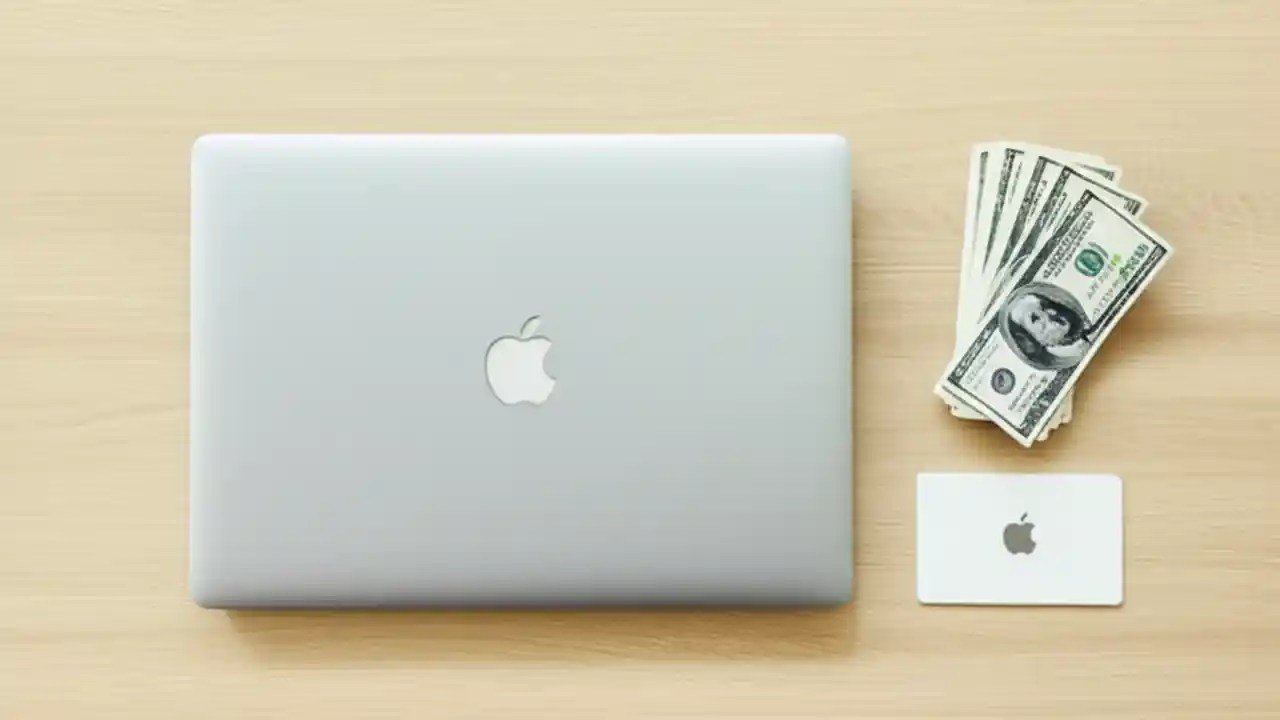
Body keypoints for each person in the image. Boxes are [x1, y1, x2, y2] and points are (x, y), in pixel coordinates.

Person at [1000, 287, 1091, 370]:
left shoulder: (1011, 324)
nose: (1045, 322)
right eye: (1057, 319)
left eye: (1047, 334)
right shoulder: (1032, 296)